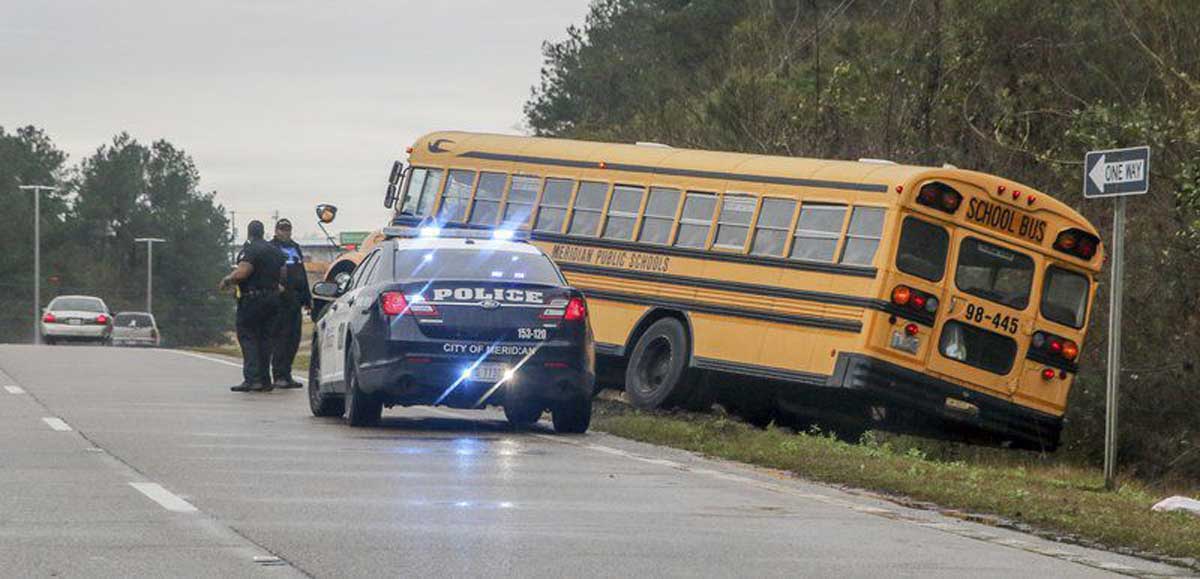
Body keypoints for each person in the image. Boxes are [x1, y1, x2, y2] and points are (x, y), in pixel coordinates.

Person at [218, 220, 285, 392]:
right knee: (266, 339)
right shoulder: (275, 251)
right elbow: (283, 274)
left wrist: (228, 280)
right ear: (262, 232)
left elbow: (243, 272)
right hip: (273, 299)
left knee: (249, 337)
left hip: (253, 299)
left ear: (249, 233)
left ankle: (253, 379)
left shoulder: (251, 249)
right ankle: (265, 380)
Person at [269, 218, 311, 388]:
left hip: (296, 299)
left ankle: (287, 373)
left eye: (287, 229)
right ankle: (279, 375)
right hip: (280, 301)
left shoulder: (295, 247)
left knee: (294, 338)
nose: (285, 232)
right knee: (281, 338)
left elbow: (302, 273)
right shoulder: (271, 248)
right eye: (282, 229)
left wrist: (307, 298)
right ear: (276, 230)